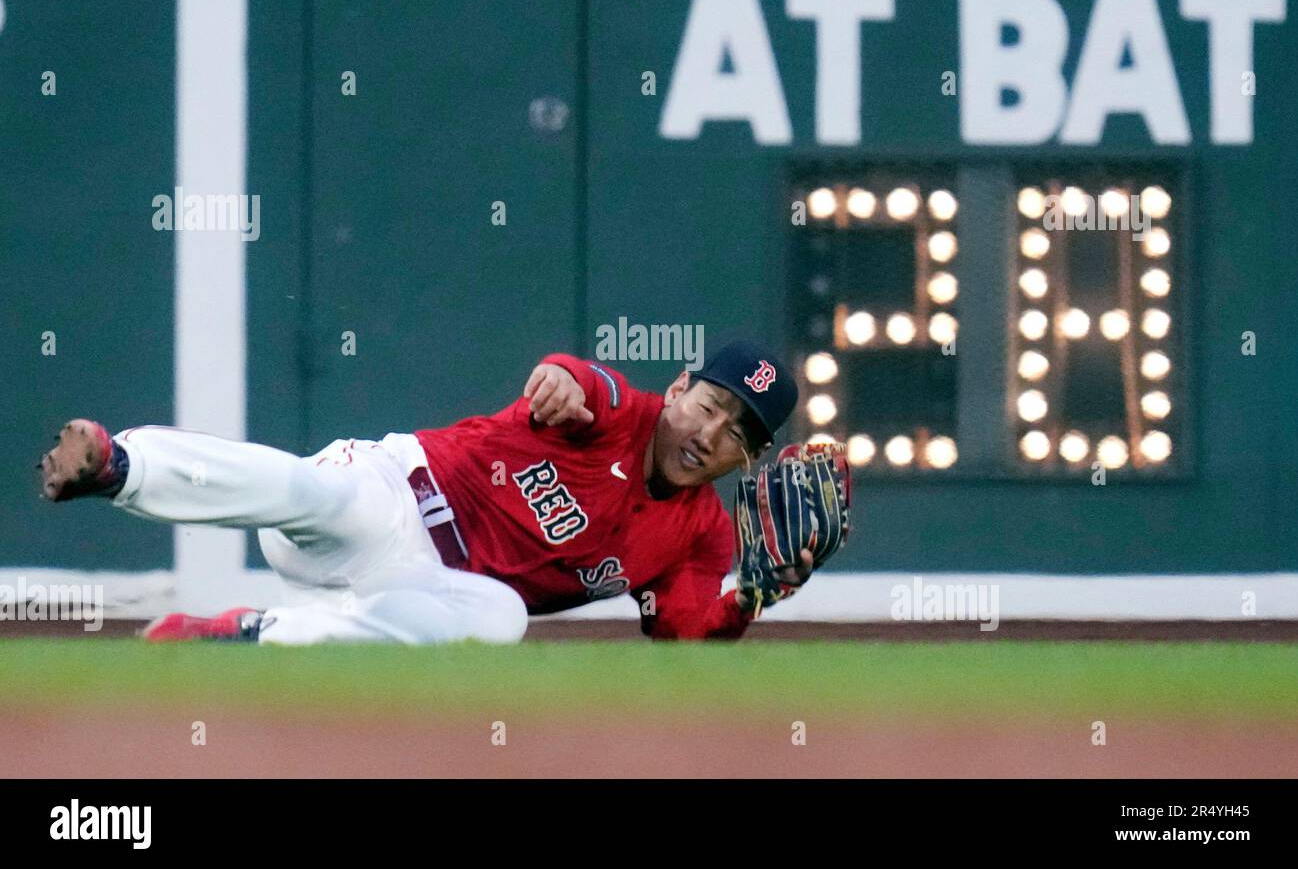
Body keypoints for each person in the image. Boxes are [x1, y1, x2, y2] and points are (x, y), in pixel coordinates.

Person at [37, 340, 811, 644]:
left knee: (502, 622)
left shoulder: (702, 536)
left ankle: (249, 634)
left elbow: (677, 628)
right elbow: (570, 373)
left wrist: (749, 599)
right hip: (395, 496)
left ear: (749, 458)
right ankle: (121, 466)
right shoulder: (618, 408)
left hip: (418, 589)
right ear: (678, 388)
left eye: (739, 432)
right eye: (710, 404)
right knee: (319, 493)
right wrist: (555, 382)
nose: (712, 433)